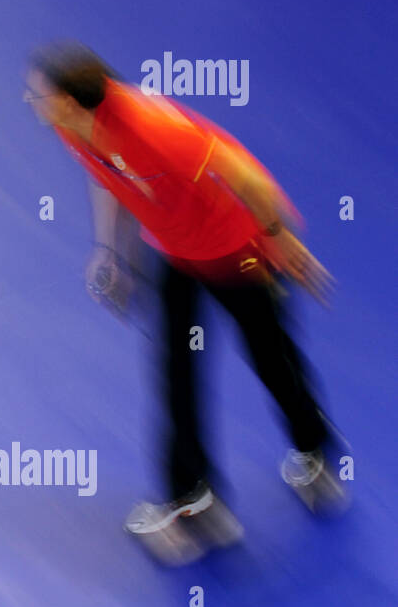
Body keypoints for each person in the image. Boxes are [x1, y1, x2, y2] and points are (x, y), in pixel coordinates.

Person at [23, 41, 348, 559]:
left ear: (68, 100)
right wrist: (112, 251)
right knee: (177, 373)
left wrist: (279, 237)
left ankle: (315, 456)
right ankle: (195, 503)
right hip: (177, 254)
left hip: (238, 250)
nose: (30, 99)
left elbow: (246, 175)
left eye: (39, 94)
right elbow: (109, 179)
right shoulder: (72, 127)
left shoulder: (156, 132)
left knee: (273, 360)